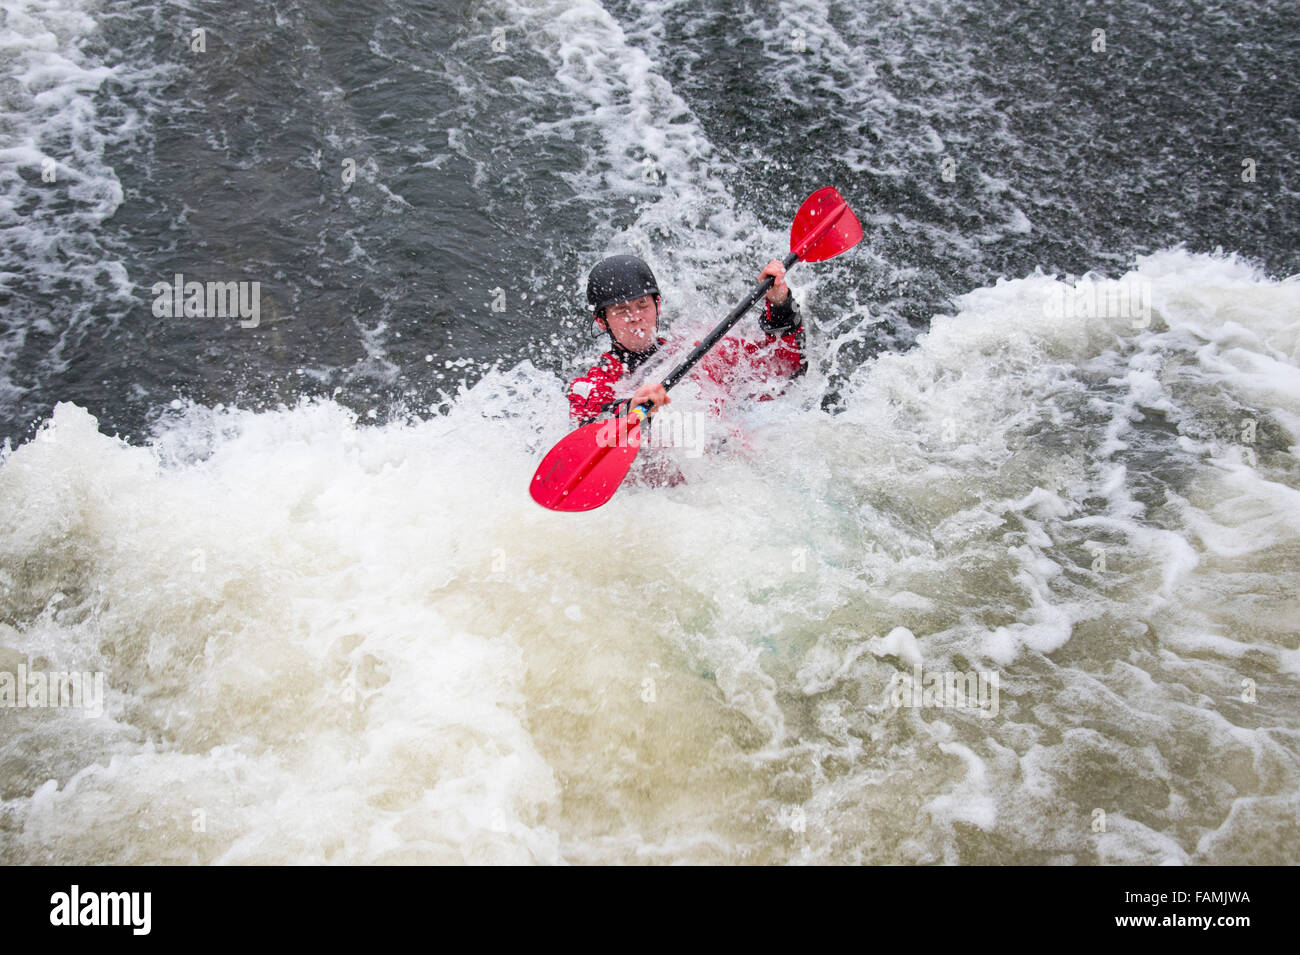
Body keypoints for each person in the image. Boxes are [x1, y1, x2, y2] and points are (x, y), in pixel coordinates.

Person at [567, 254, 805, 428]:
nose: (636, 317)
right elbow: (586, 423)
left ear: (657, 306)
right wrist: (631, 410)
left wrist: (780, 304)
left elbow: (784, 371)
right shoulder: (594, 385)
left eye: (643, 305)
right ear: (601, 321)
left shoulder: (701, 353)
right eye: (621, 310)